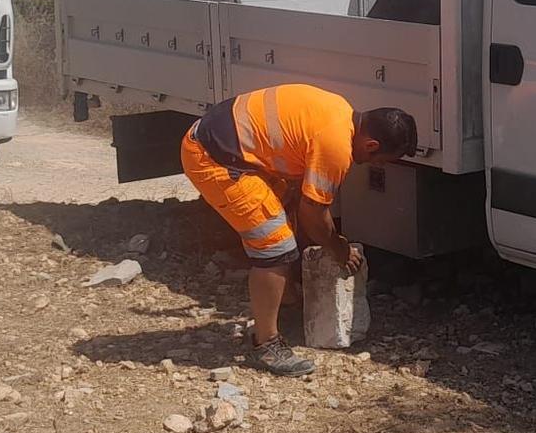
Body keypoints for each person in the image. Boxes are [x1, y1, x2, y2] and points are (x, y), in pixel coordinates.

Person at [179, 85, 418, 376]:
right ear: (371, 145)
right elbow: (314, 215)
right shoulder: (336, 147)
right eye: (379, 160)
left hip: (223, 144)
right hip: (213, 158)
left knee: (285, 212)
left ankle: (289, 302)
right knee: (275, 247)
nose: (375, 165)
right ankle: (265, 345)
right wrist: (338, 247)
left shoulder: (341, 109)